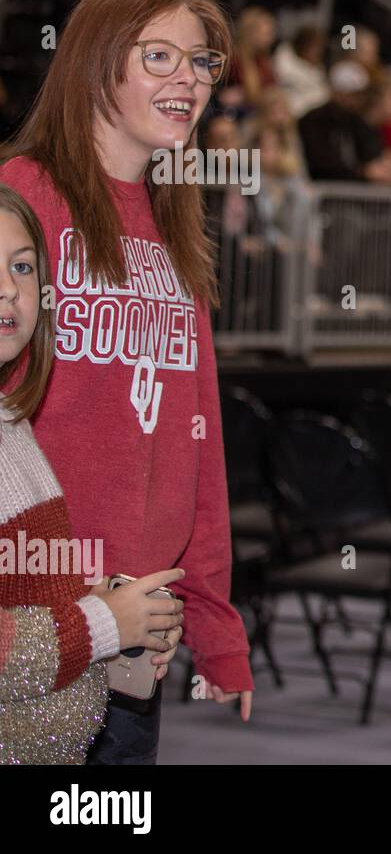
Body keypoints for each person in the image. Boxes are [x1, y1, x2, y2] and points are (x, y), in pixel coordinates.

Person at [0, 0, 254, 764]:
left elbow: (197, 441)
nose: (189, 79)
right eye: (159, 57)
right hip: (34, 633)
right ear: (96, 64)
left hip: (138, 637)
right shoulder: (20, 196)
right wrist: (72, 611)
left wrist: (212, 622)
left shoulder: (178, 226)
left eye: (202, 63)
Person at [0, 184, 187, 764]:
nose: (8, 288)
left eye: (23, 266)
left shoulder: (12, 424)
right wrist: (104, 624)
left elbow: (24, 596)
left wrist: (111, 606)